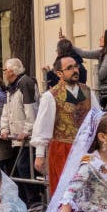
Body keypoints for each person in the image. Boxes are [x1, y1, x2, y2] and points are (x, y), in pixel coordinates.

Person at [32, 55, 100, 197]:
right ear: (59, 74)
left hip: (86, 148)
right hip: (62, 149)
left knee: (87, 191)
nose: (75, 70)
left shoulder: (87, 91)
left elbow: (97, 118)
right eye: (70, 68)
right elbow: (43, 126)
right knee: (64, 192)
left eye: (76, 66)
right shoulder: (51, 96)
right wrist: (39, 155)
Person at [0, 58, 40, 206]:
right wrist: (4, 128)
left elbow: (31, 109)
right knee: (19, 167)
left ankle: (34, 199)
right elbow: (7, 110)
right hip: (16, 136)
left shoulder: (25, 83)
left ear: (11, 71)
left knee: (24, 167)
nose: (4, 73)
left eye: (5, 70)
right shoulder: (11, 87)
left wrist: (27, 130)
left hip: (25, 136)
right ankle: (26, 200)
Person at [63, 29, 107, 107]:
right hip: (106, 93)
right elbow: (83, 53)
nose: (100, 38)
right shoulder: (102, 53)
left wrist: (96, 70)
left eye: (102, 37)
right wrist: (68, 43)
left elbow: (101, 75)